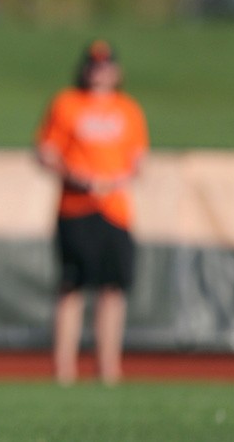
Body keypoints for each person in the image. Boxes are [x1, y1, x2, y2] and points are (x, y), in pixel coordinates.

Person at [34, 40, 148, 386]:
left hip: (114, 210)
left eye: (106, 65)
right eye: (94, 65)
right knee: (72, 286)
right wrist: (77, 177)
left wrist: (115, 180)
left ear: (116, 71)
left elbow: (139, 159)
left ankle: (109, 368)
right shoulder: (67, 104)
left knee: (113, 289)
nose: (100, 72)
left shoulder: (127, 109)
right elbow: (45, 151)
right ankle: (63, 369)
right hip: (76, 207)